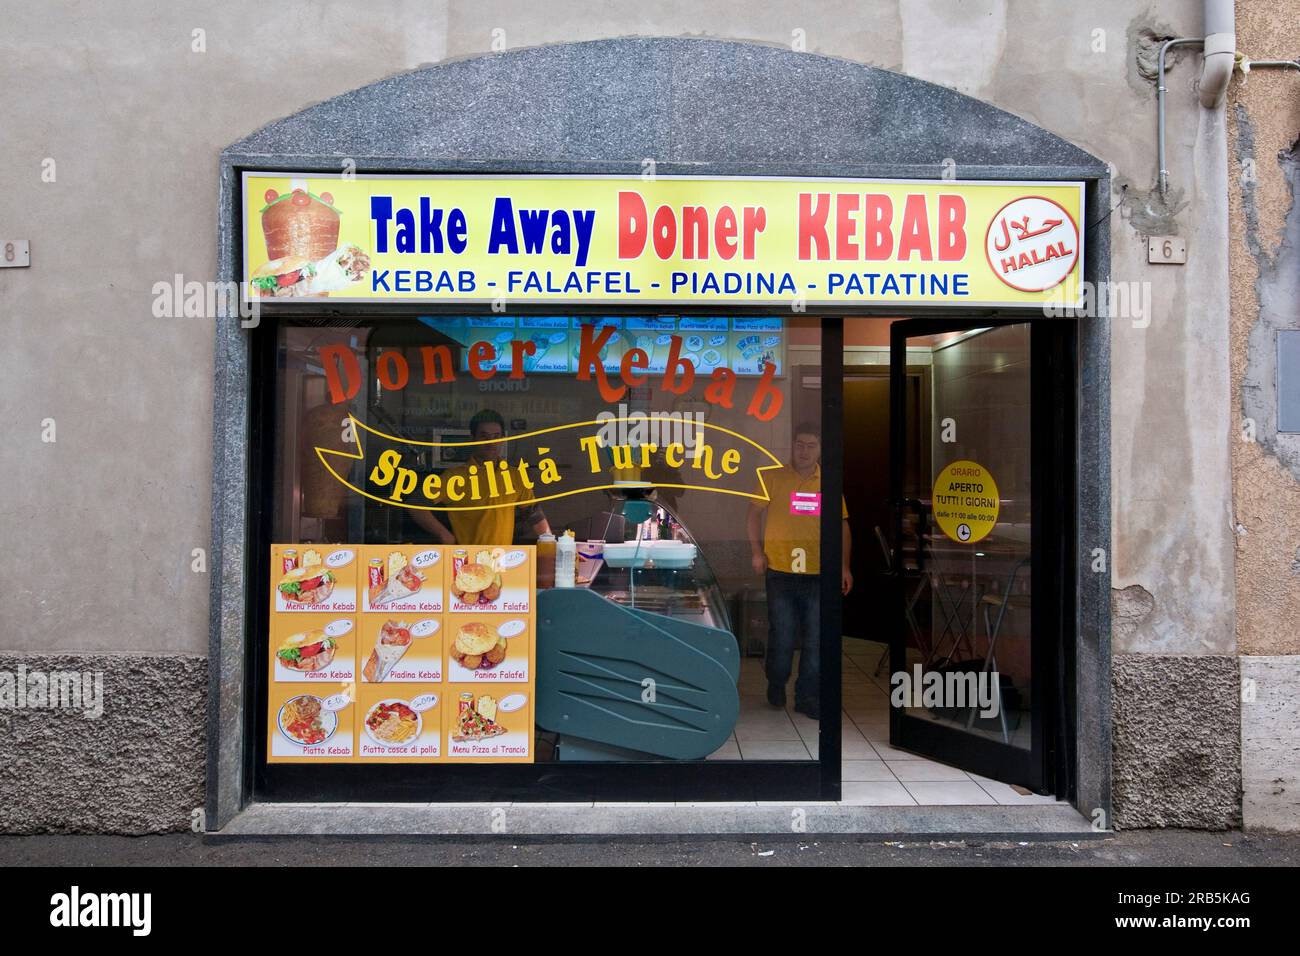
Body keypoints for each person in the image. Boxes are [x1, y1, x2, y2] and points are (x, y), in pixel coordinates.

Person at [746, 423, 852, 720]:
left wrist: (844, 566)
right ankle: (776, 681)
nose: (804, 451)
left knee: (816, 640)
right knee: (782, 636)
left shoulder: (829, 482)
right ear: (792, 446)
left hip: (819, 573)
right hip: (780, 571)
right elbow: (753, 514)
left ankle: (806, 696)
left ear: (820, 449)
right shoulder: (773, 477)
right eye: (799, 445)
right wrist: (756, 552)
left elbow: (842, 526)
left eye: (811, 446)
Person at [412, 409, 551, 546]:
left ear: (503, 439)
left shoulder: (515, 475)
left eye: (496, 436)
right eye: (484, 436)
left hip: (502, 563)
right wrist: (444, 534)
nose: (491, 442)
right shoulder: (455, 477)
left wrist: (552, 545)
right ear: (473, 438)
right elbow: (415, 504)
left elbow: (534, 514)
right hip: (466, 563)